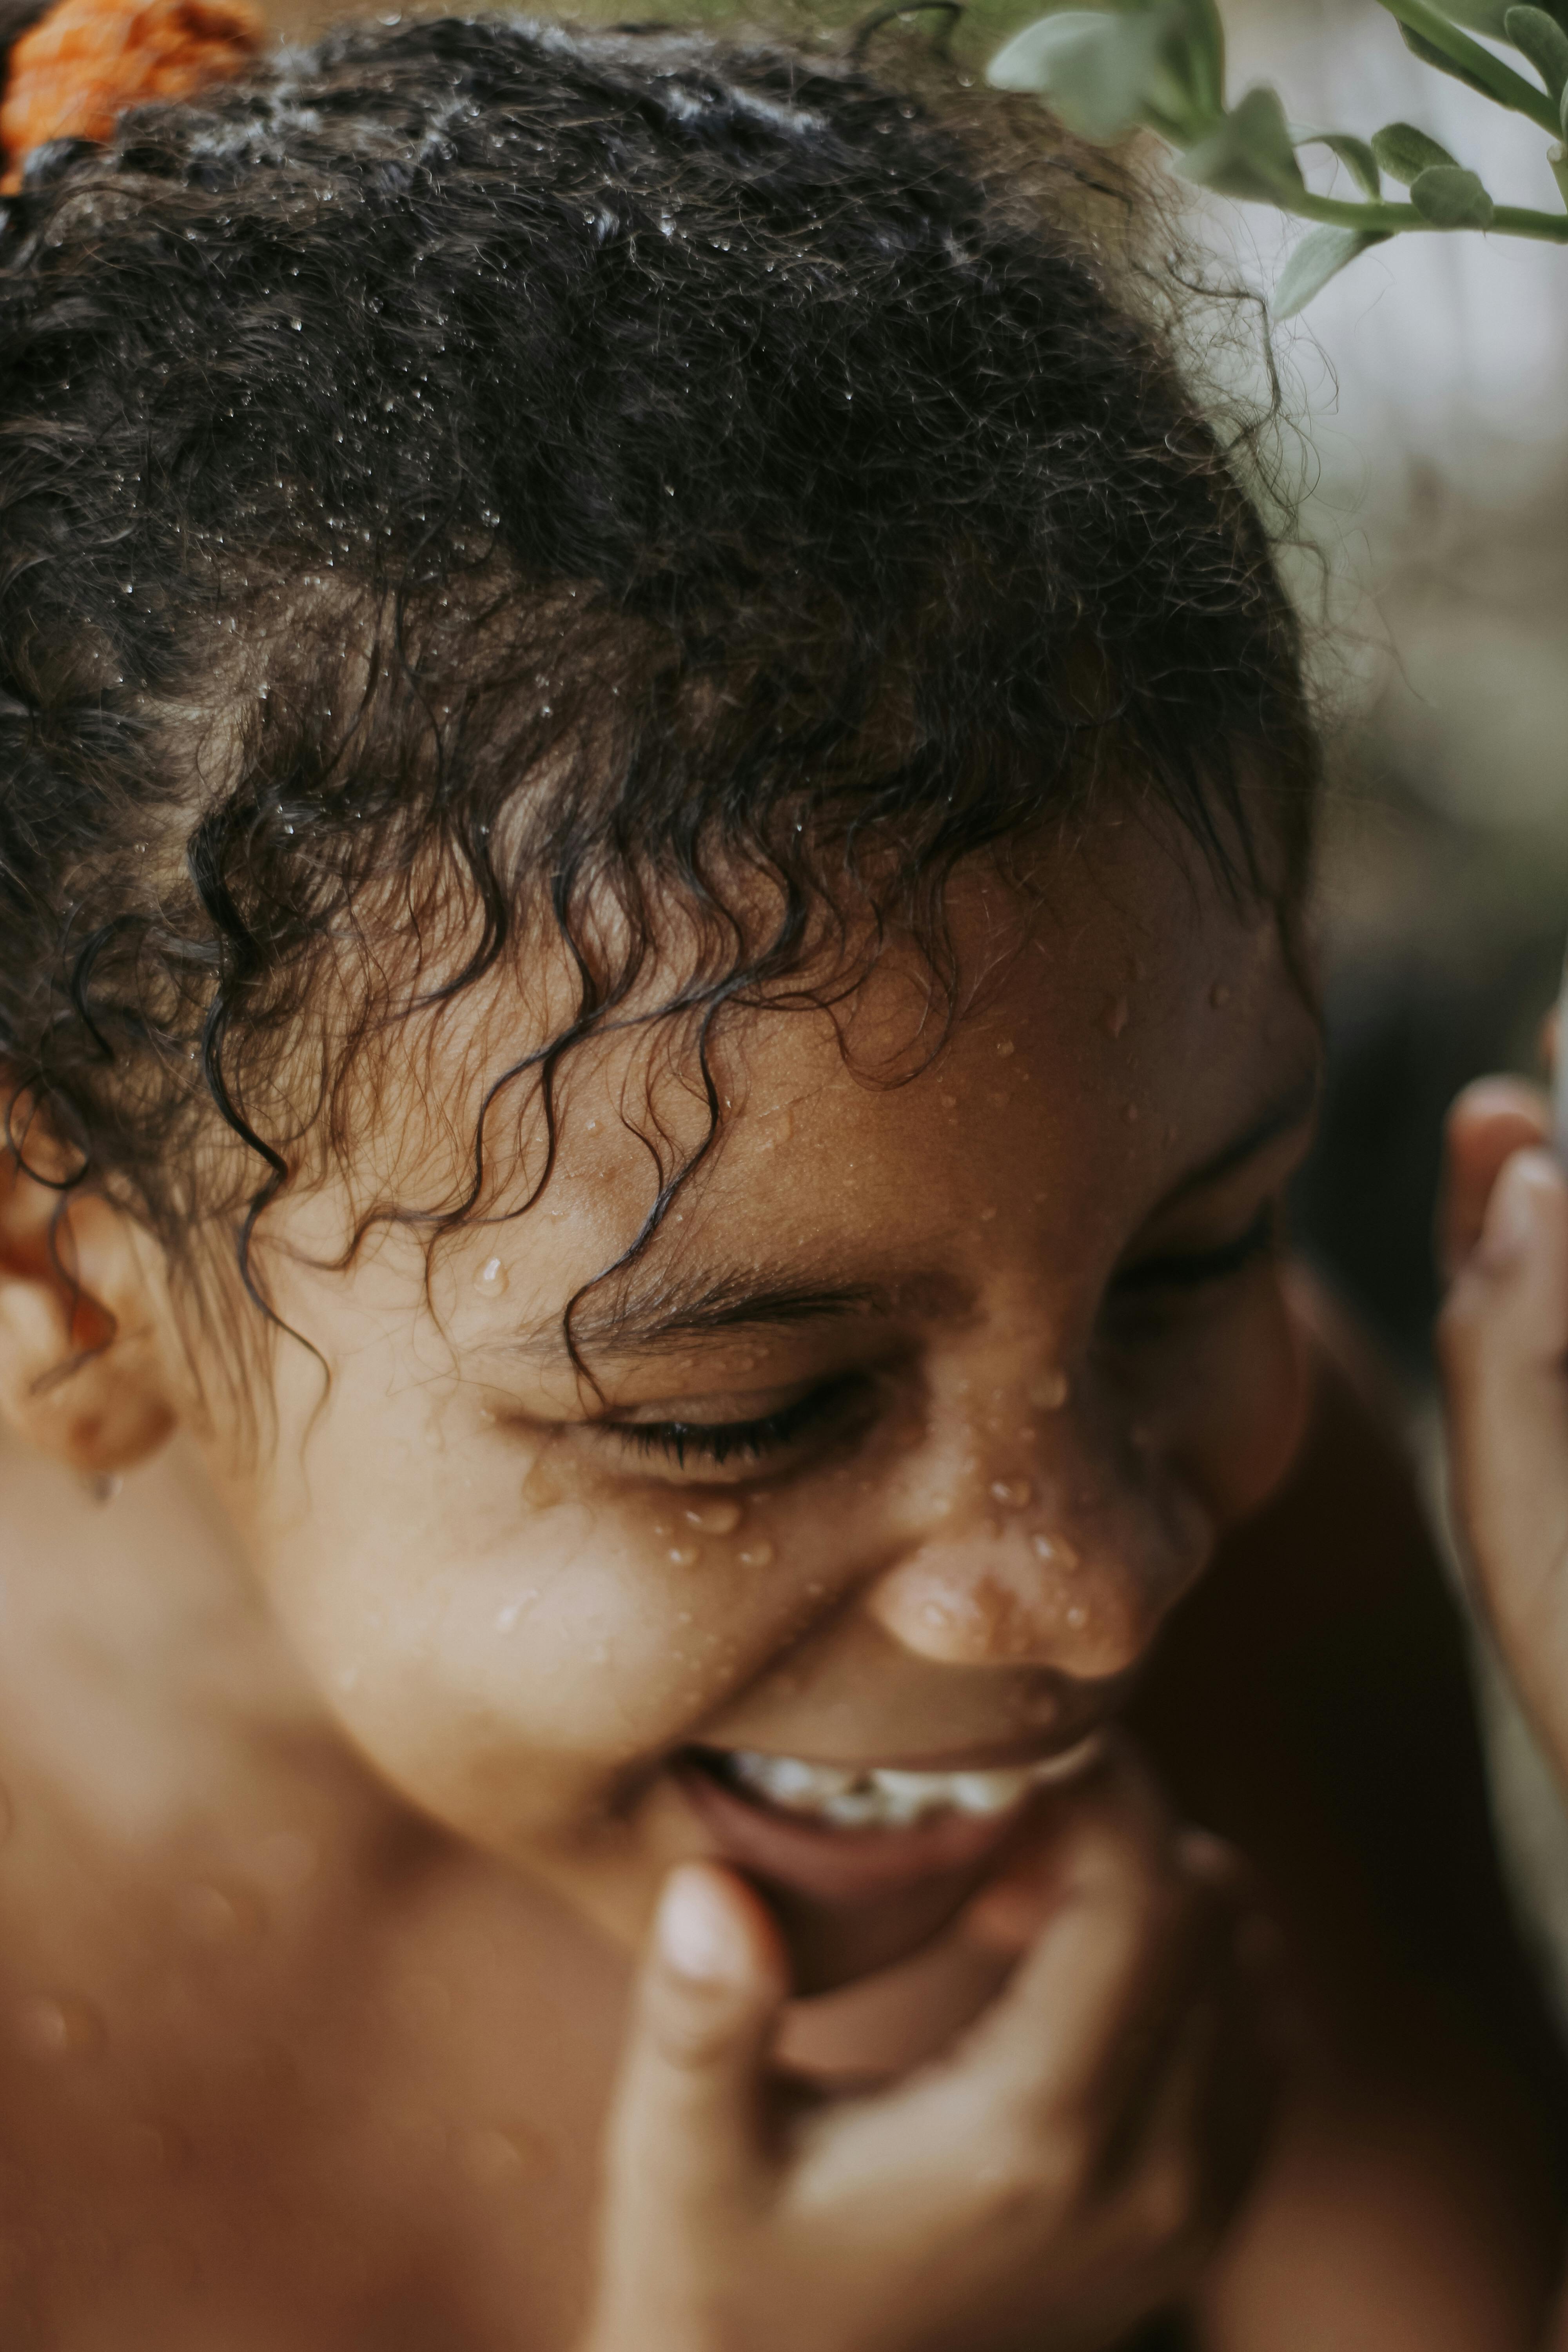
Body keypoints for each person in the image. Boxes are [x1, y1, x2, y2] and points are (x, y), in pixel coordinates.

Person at [0, 8, 1559, 2345]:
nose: (1098, 1583)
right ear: (74, 1292)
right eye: (741, 1415)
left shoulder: (1269, 1601)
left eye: (1202, 1250)